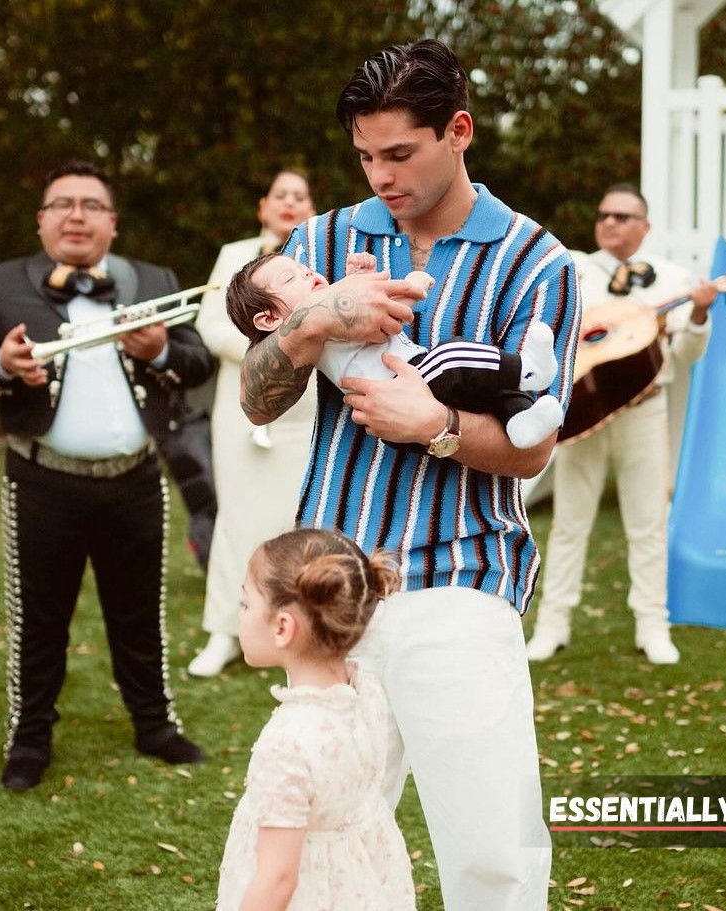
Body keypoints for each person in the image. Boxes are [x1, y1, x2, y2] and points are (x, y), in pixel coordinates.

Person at [238, 39, 580, 911]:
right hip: (333, 584)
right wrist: (314, 322)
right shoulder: (322, 240)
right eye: (364, 156)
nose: (380, 175)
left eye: (399, 154)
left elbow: (533, 446)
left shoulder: (536, 261)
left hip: (459, 577)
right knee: (318, 839)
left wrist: (435, 429)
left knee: (489, 854)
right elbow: (256, 396)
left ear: (457, 130)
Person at [0, 160, 214, 791]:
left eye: (91, 205)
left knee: (140, 614)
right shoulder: (0, 282)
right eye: (61, 204)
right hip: (42, 483)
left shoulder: (154, 280)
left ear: (112, 224)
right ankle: (30, 740)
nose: (76, 215)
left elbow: (198, 363)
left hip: (136, 479)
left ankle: (154, 726)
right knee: (39, 621)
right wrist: (4, 365)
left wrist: (163, 352)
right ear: (41, 221)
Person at [525, 183, 715, 665]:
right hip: (584, 411)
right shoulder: (572, 267)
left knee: (648, 523)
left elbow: (690, 356)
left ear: (645, 228)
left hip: (644, 413)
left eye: (623, 216)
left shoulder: (674, 279)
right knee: (569, 523)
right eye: (604, 214)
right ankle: (553, 625)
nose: (609, 222)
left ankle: (653, 626)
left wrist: (698, 313)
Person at [216, 529, 416, 911]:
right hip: (363, 885)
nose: (240, 614)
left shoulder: (287, 742)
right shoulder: (366, 692)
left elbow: (278, 878)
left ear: (282, 627)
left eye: (245, 604)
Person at [227, 250, 563, 449]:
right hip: (402, 384)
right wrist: (408, 287)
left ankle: (519, 419)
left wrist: (357, 281)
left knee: (487, 388)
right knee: (453, 355)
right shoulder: (315, 337)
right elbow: (373, 318)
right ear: (268, 318)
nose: (309, 273)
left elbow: (363, 312)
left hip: (414, 387)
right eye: (291, 279)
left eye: (305, 269)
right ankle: (528, 369)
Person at [188, 170, 318, 677]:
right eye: (281, 196)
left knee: (304, 520)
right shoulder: (233, 253)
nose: (290, 203)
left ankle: (302, 630)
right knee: (237, 518)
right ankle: (225, 631)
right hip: (244, 406)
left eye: (299, 196)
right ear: (263, 206)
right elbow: (210, 322)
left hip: (305, 410)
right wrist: (268, 349)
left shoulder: (319, 254)